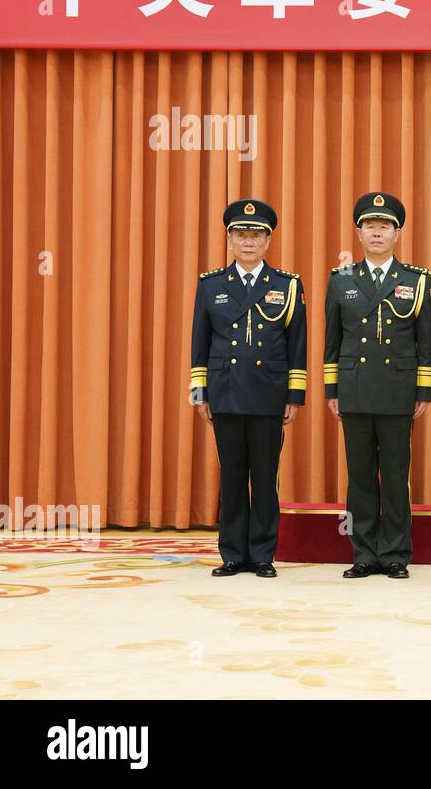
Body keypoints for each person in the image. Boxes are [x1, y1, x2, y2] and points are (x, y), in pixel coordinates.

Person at [190, 198, 306, 578]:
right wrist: (199, 391)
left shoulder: (287, 285)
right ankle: (232, 554)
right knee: (233, 476)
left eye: (256, 235)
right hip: (224, 391)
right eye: (241, 235)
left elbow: (297, 344)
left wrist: (295, 395)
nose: (249, 242)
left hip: (269, 393)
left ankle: (262, 554)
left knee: (265, 477)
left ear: (268, 241)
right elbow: (200, 341)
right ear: (229, 240)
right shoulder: (211, 285)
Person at [324, 192, 431, 579]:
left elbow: (426, 341)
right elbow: (332, 341)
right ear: (359, 233)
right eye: (369, 226)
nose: (376, 232)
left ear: (397, 234)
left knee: (394, 474)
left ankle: (395, 553)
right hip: (354, 388)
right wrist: (331, 390)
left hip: (397, 389)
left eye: (384, 226)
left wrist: (423, 391)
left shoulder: (417, 280)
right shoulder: (341, 279)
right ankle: (364, 553)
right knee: (359, 476)